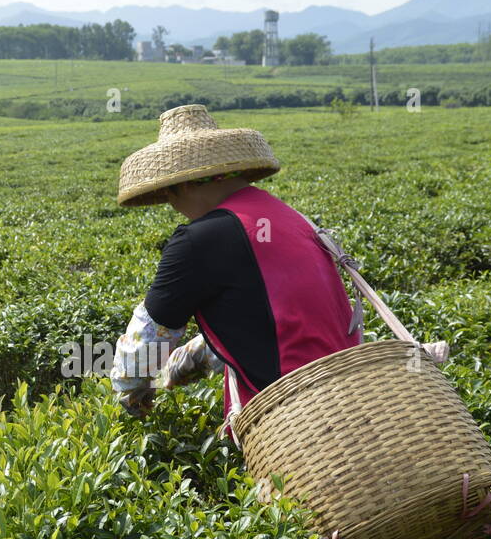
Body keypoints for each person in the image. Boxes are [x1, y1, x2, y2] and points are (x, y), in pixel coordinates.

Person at [109, 104, 361, 434]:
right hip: (353, 397)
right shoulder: (291, 218)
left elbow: (145, 343)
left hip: (291, 419)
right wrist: (193, 358)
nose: (173, 207)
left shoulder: (198, 240)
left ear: (183, 184)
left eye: (167, 194)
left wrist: (130, 399)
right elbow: (275, 319)